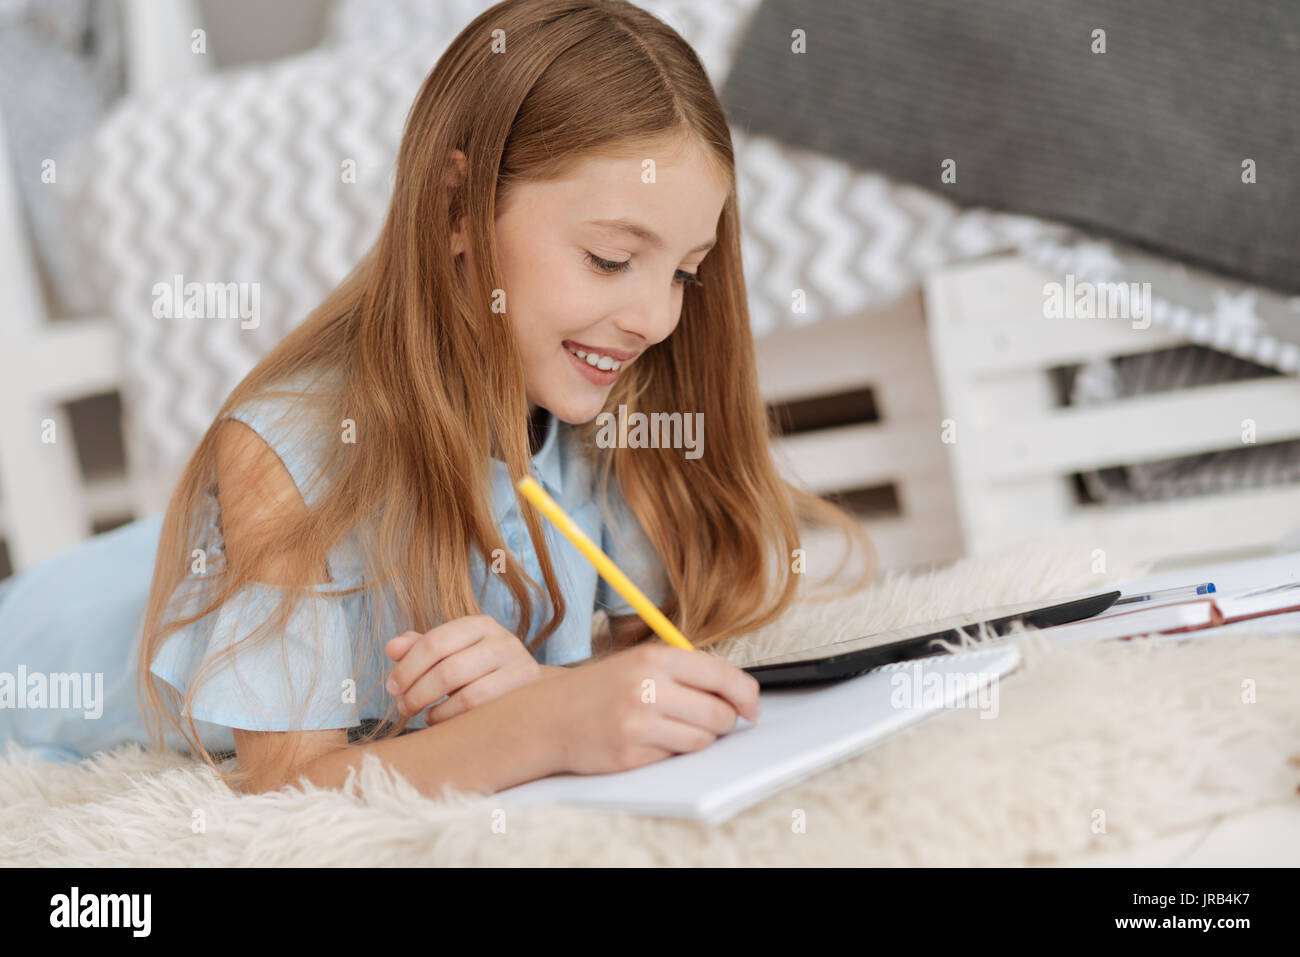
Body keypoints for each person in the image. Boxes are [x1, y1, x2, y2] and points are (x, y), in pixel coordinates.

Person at [0, 0, 874, 797]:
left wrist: (542, 688)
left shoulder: (603, 409)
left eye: (685, 271)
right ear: (457, 208)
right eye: (610, 258)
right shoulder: (281, 453)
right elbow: (283, 785)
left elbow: (639, 655)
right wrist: (541, 724)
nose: (654, 317)